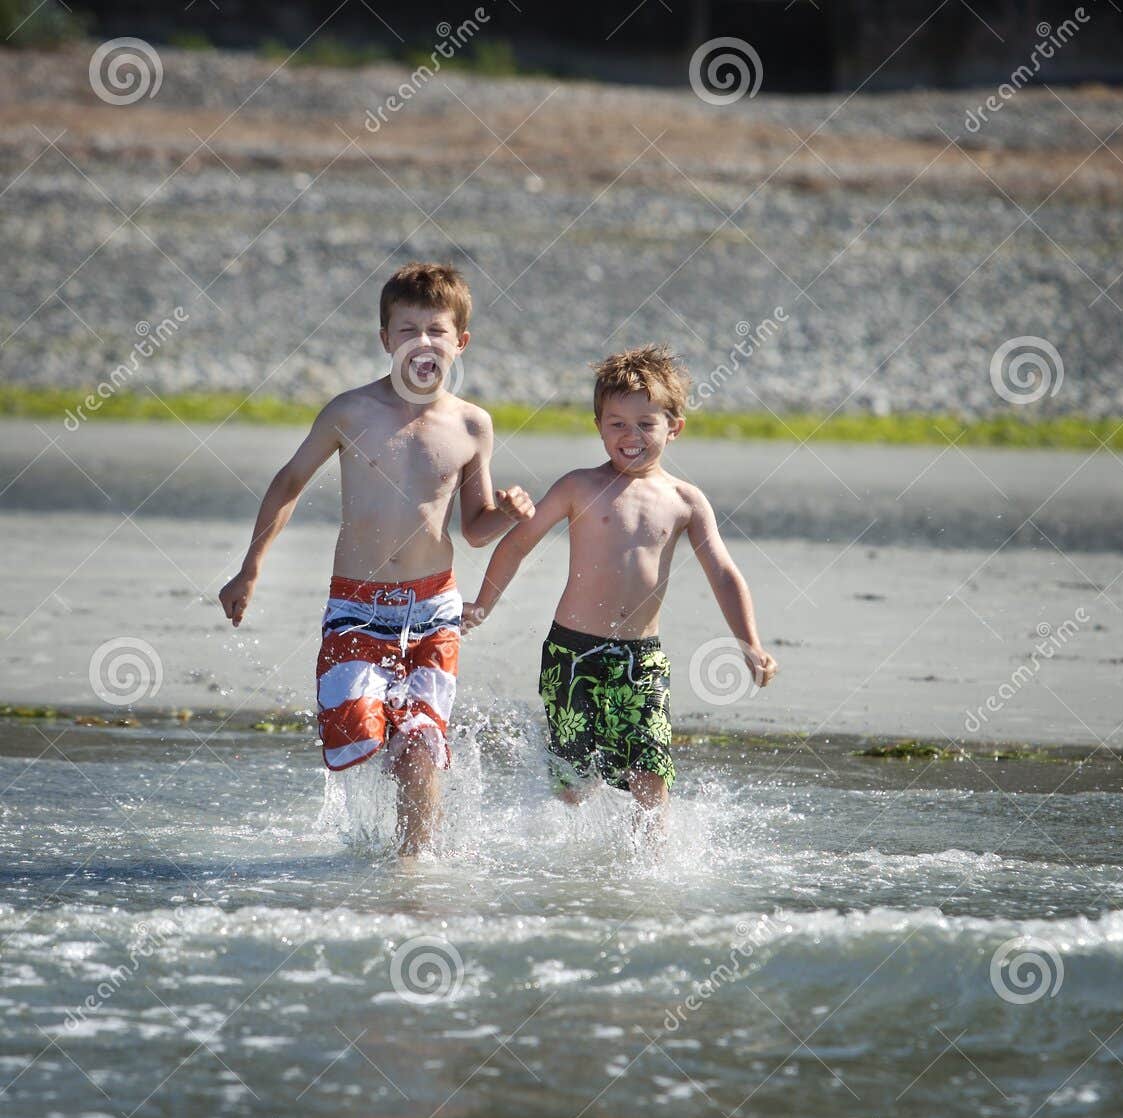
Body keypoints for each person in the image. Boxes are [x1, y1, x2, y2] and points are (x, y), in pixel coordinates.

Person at [218, 261, 534, 855]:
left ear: (460, 342)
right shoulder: (350, 412)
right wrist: (250, 565)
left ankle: (413, 868)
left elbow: (475, 528)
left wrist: (509, 512)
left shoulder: (472, 424)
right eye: (408, 329)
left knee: (416, 745)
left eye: (437, 330)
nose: (423, 341)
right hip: (357, 608)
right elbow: (289, 482)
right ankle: (380, 844)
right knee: (364, 736)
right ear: (386, 339)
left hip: (433, 606)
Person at [462, 344, 776, 825]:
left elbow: (723, 573)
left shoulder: (685, 500)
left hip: (641, 659)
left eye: (646, 424)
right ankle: (579, 872)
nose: (631, 436)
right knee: (575, 781)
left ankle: (651, 869)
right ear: (599, 427)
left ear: (674, 428)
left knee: (651, 773)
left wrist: (749, 642)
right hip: (572, 654)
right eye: (617, 424)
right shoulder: (579, 486)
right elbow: (516, 545)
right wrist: (482, 606)